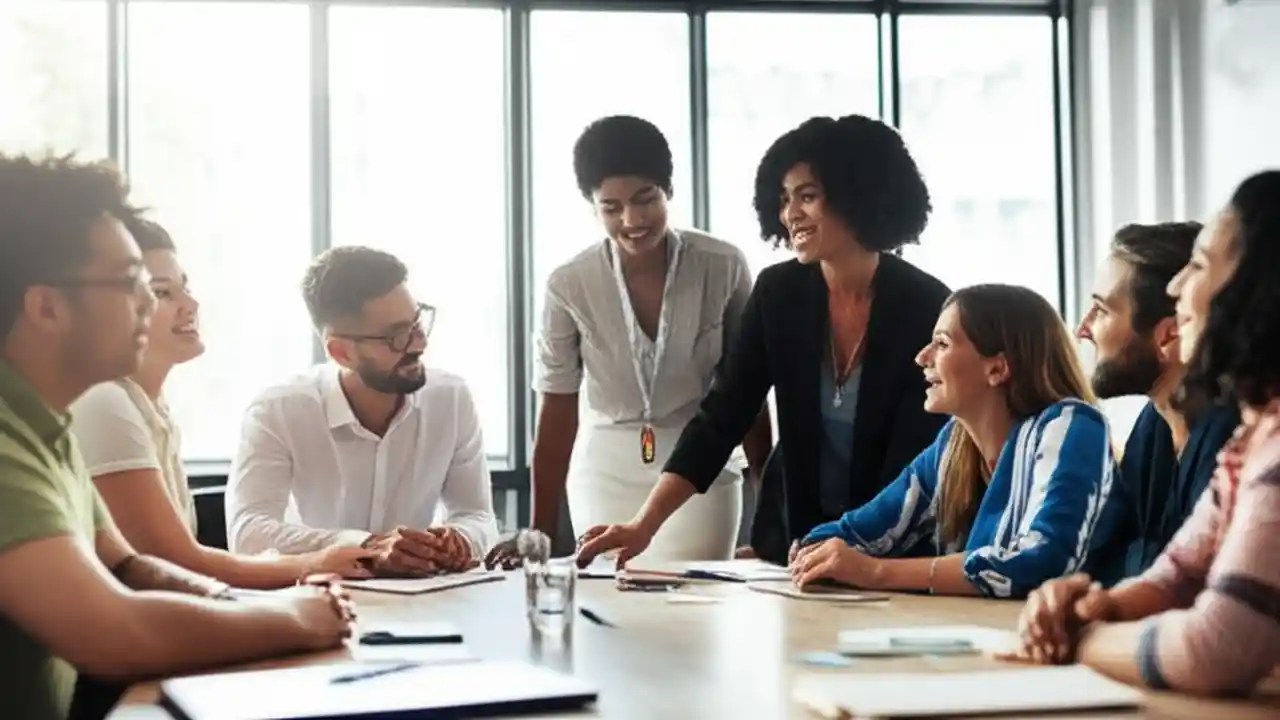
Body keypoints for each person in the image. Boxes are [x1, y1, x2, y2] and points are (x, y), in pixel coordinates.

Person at [0, 154, 354, 720]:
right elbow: (110, 632)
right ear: (46, 307)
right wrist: (292, 617)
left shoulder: (48, 425)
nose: (148, 302)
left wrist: (234, 601)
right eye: (129, 282)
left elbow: (127, 567)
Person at [576, 115, 951, 568]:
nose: (791, 214)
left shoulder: (927, 304)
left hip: (891, 557)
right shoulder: (779, 293)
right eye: (784, 199)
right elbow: (722, 417)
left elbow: (921, 460)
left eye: (807, 196)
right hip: (793, 551)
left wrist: (855, 551)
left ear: (857, 194)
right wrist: (644, 524)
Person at [1015, 171, 1280, 695]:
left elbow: (1215, 648)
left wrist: (1082, 638)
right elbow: (1177, 573)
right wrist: (1099, 605)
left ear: (1257, 294)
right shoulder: (1252, 438)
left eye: (1199, 267)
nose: (1179, 287)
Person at [486, 116, 771, 568]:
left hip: (700, 467)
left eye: (645, 199)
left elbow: (749, 393)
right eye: (611, 207)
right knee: (609, 606)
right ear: (593, 207)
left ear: (668, 191)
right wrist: (539, 531)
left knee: (695, 611)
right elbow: (557, 408)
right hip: (604, 468)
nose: (632, 220)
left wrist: (770, 503)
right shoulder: (569, 283)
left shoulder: (724, 265)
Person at [69, 214, 372, 588]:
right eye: (162, 292)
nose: (190, 304)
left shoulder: (151, 407)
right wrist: (316, 563)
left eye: (185, 286)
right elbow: (173, 563)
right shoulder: (102, 403)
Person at [788, 285, 1117, 598]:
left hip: (1080, 648)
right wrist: (818, 552)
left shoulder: (1072, 426)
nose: (922, 357)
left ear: (997, 368)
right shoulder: (954, 445)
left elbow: (1041, 560)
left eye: (942, 344)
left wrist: (875, 572)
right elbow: (863, 532)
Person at [226, 246, 498, 576]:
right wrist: (367, 546)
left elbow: (478, 516)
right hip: (318, 601)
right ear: (341, 353)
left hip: (425, 599)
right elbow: (248, 533)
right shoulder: (278, 410)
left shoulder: (451, 399)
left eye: (418, 322)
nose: (420, 343)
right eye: (397, 336)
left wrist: (459, 539)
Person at [1076, 223, 1238, 584]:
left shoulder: (1234, 433)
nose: (1082, 329)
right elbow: (1099, 558)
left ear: (1169, 335)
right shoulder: (1154, 424)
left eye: (1101, 311)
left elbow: (1196, 587)